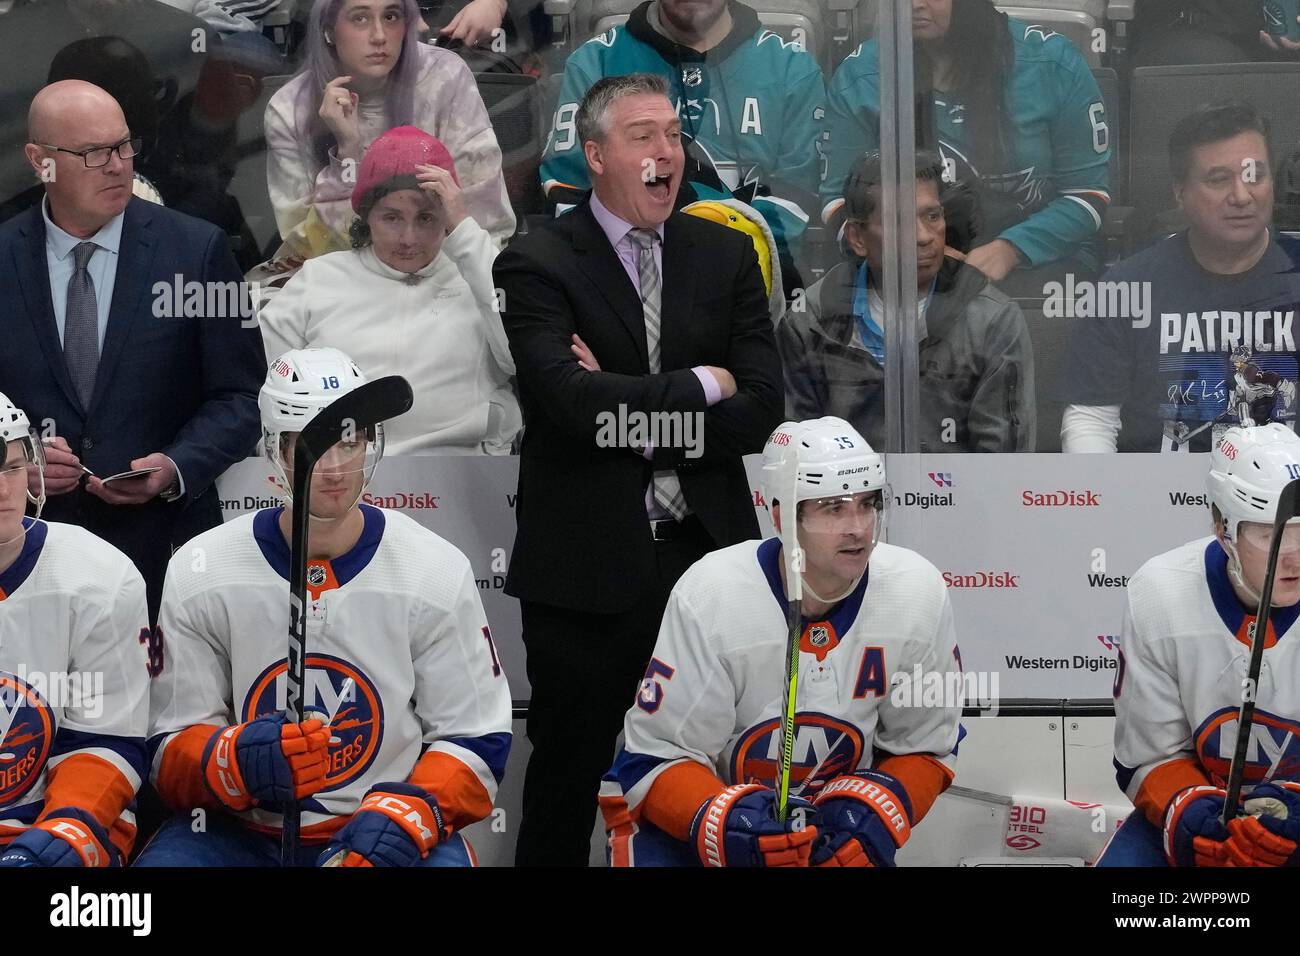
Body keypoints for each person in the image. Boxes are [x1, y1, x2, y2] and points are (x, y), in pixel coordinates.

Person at [494, 72, 784, 866]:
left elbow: (759, 408)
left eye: (674, 135)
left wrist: (626, 409)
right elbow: (568, 405)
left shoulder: (725, 254)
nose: (668, 153)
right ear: (594, 155)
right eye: (643, 136)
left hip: (708, 557)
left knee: (716, 776)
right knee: (565, 781)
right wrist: (701, 385)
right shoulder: (537, 260)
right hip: (585, 573)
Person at [137, 347, 513, 867]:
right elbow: (167, 747)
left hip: (383, 822)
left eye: (349, 439)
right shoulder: (204, 569)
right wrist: (234, 762)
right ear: (274, 450)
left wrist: (405, 818)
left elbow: (476, 736)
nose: (334, 466)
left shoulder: (433, 570)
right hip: (238, 832)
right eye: (308, 445)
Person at [600, 417, 962, 867]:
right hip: (697, 830)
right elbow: (651, 761)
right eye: (833, 508)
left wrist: (873, 812)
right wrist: (729, 825)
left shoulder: (916, 591)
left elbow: (927, 747)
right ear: (780, 515)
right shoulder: (712, 594)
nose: (858, 527)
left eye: (868, 504)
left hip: (826, 828)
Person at [0, 80, 265, 621]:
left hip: (166, 551)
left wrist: (175, 465)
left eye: (123, 146)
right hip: (24, 556)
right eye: (93, 153)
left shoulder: (198, 251)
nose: (119, 165)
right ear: (39, 160)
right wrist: (15, 461)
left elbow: (242, 398)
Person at [1100, 423, 1300, 866]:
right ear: (1221, 526)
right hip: (1202, 800)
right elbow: (1148, 756)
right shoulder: (1160, 593)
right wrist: (1191, 816)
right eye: (1270, 535)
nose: (1295, 556)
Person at [259, 126, 521, 455]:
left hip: (465, 474)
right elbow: (264, 388)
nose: (409, 238)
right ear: (366, 216)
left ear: (448, 217)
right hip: (339, 475)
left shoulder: (480, 272)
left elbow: (518, 357)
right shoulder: (317, 281)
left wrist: (466, 234)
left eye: (426, 217)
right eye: (392, 218)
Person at [1061, 102, 1300, 453]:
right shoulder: (1124, 288)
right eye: (1219, 180)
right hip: (1152, 498)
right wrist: (1106, 501)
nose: (1241, 195)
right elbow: (1091, 420)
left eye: (1254, 175)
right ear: (1179, 191)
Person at [822, 0, 1111, 286]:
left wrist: (1010, 249)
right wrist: (898, 248)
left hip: (1038, 258)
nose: (913, 5)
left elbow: (1087, 195)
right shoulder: (861, 75)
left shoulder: (1053, 63)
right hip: (905, 263)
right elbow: (838, 201)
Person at [539, 0, 825, 273]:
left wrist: (718, 266)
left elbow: (795, 200)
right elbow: (568, 191)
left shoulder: (791, 68)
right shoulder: (595, 61)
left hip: (744, 286)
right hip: (620, 284)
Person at [780, 150, 1035, 452]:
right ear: (857, 238)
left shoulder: (992, 319)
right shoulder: (811, 319)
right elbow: (795, 457)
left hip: (962, 497)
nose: (924, 236)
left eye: (932, 216)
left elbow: (1004, 466)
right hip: (847, 497)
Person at [0, 393, 150, 868]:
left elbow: (107, 738)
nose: (4, 489)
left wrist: (65, 828)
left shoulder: (98, 575)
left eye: (11, 467)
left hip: (58, 831)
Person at [264, 0, 514, 260]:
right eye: (359, 19)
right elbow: (312, 246)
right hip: (343, 277)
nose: (379, 36)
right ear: (328, 29)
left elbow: (485, 218)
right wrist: (347, 154)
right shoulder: (289, 109)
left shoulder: (446, 77)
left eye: (391, 17)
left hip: (445, 269)